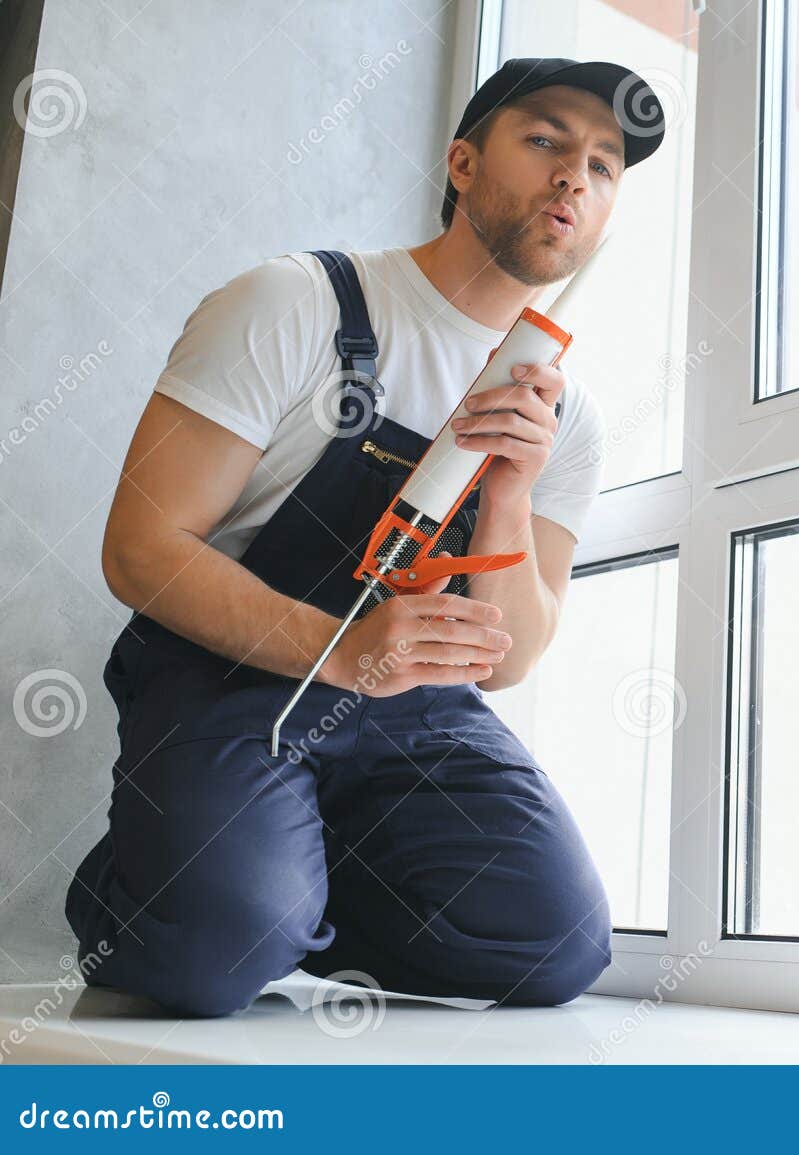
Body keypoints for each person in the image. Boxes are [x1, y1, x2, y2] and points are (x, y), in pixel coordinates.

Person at [63, 58, 666, 1017]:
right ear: (462, 163)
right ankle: (180, 898)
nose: (573, 179)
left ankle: (273, 886)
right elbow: (140, 547)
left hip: (416, 711)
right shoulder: (297, 303)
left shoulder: (568, 416)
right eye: (546, 139)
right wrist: (343, 652)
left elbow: (504, 662)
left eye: (603, 167)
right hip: (236, 677)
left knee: (549, 945)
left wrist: (509, 491)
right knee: (205, 961)